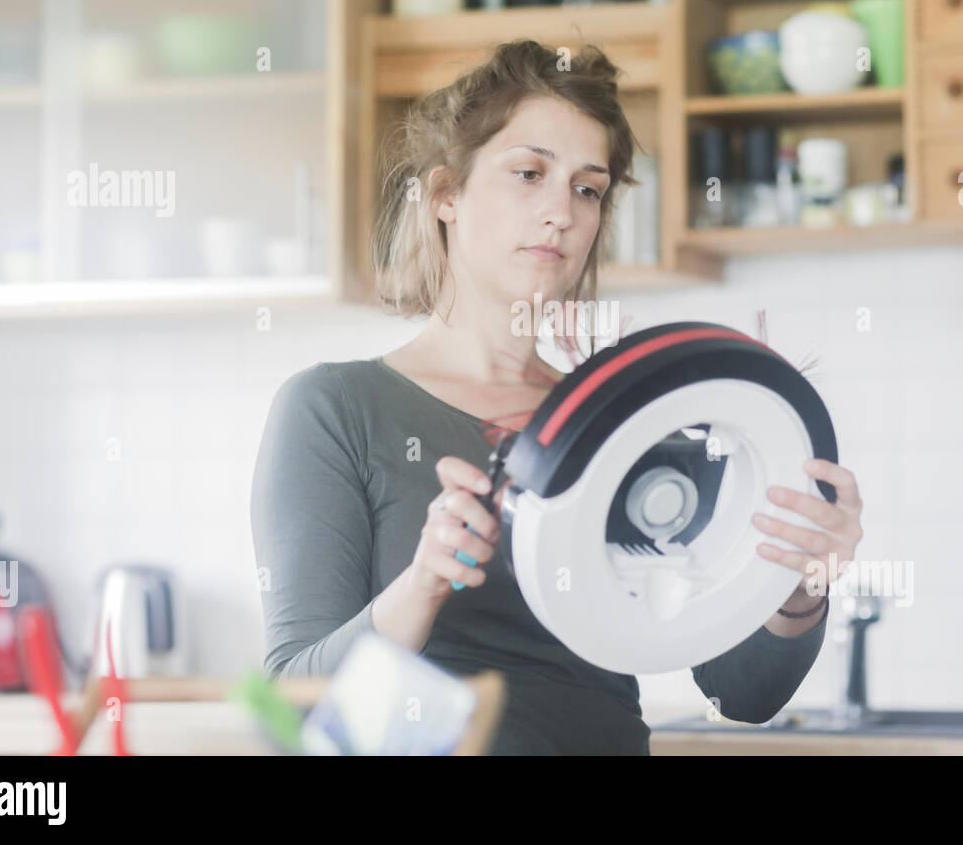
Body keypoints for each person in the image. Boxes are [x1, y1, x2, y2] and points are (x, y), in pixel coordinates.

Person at [250, 39, 865, 754]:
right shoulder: (335, 409)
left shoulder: (624, 419)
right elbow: (295, 704)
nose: (561, 213)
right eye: (528, 173)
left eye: (587, 188)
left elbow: (742, 691)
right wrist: (424, 581)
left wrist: (797, 582)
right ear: (446, 195)